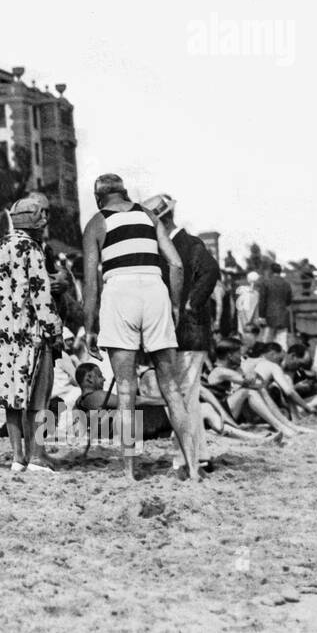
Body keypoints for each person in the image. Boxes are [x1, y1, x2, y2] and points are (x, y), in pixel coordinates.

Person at [81, 173, 200, 480]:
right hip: (153, 288)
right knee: (172, 389)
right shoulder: (147, 215)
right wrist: (174, 305)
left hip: (119, 291)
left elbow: (91, 282)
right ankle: (194, 469)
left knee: (124, 391)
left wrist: (90, 326)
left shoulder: (96, 222)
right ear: (124, 193)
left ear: (99, 199)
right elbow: (175, 264)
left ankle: (130, 472)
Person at [0, 194, 62, 471]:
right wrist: (54, 328)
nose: (44, 222)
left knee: (11, 397)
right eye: (40, 217)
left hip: (0, 333)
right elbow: (40, 295)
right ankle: (37, 456)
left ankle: (18, 456)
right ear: (32, 222)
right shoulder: (33, 249)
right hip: (29, 332)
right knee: (37, 397)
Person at [142, 193, 218, 474]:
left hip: (189, 332)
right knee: (187, 395)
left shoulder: (188, 243)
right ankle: (200, 454)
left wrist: (189, 305)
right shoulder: (169, 246)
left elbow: (210, 272)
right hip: (178, 333)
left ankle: (185, 457)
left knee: (182, 395)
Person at [255, 260, 294, 348]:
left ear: (271, 271)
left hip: (269, 315)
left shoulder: (266, 283)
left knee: (267, 340)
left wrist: (261, 316)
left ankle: (266, 360)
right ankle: (282, 360)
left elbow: (262, 301)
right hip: (283, 315)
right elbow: (289, 300)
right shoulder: (286, 284)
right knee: (282, 341)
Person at [235, 271, 260, 339]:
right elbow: (241, 310)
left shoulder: (255, 293)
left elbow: (255, 310)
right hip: (246, 322)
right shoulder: (245, 291)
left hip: (249, 322)